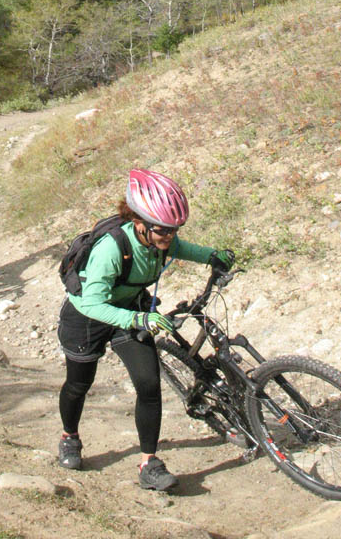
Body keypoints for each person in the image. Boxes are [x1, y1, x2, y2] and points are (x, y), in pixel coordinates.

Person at [56, 167, 234, 491]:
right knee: (79, 384)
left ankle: (149, 464)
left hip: (130, 309)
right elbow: (92, 304)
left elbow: (179, 248)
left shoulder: (161, 237)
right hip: (88, 317)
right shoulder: (111, 250)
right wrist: (139, 320)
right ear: (138, 221)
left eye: (175, 229)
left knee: (149, 384)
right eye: (163, 229)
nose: (169, 236)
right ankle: (70, 436)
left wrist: (212, 256)